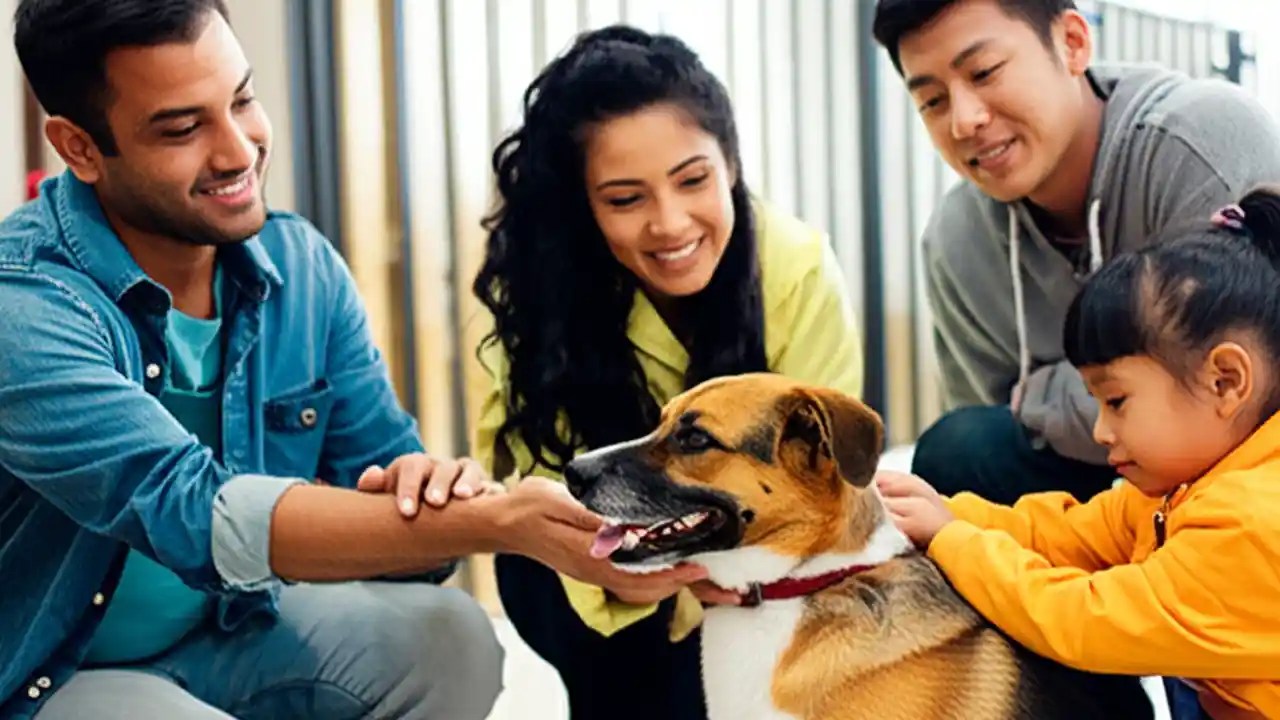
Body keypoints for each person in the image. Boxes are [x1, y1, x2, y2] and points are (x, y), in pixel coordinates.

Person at [1, 2, 647, 718]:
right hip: (53, 674)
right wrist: (493, 522)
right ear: (80, 148)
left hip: (223, 631)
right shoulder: (23, 304)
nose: (238, 151)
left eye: (242, 99)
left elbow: (406, 524)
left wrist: (431, 494)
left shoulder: (297, 265)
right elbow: (188, 507)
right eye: (183, 128)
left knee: (453, 637)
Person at [470, 25, 864, 720]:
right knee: (535, 568)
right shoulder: (538, 294)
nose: (671, 222)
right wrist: (650, 576)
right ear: (584, 207)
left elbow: (828, 486)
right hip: (602, 573)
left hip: (763, 565)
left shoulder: (797, 268)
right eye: (626, 199)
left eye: (693, 180)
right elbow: (540, 489)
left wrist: (727, 571)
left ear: (731, 165)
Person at [878, 187, 1280, 720]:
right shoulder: (1183, 485)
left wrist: (955, 542)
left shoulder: (1251, 526)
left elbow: (1083, 619)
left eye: (1117, 401)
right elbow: (1067, 533)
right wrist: (950, 514)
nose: (1100, 430)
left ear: (1225, 381)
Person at [871, 0, 1280, 505]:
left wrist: (1043, 396)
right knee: (956, 450)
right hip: (1093, 471)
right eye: (932, 101)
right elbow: (999, 423)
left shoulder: (1197, 143)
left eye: (984, 72)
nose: (964, 121)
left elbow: (1244, 388)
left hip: (1243, 472)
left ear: (1072, 43)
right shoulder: (956, 240)